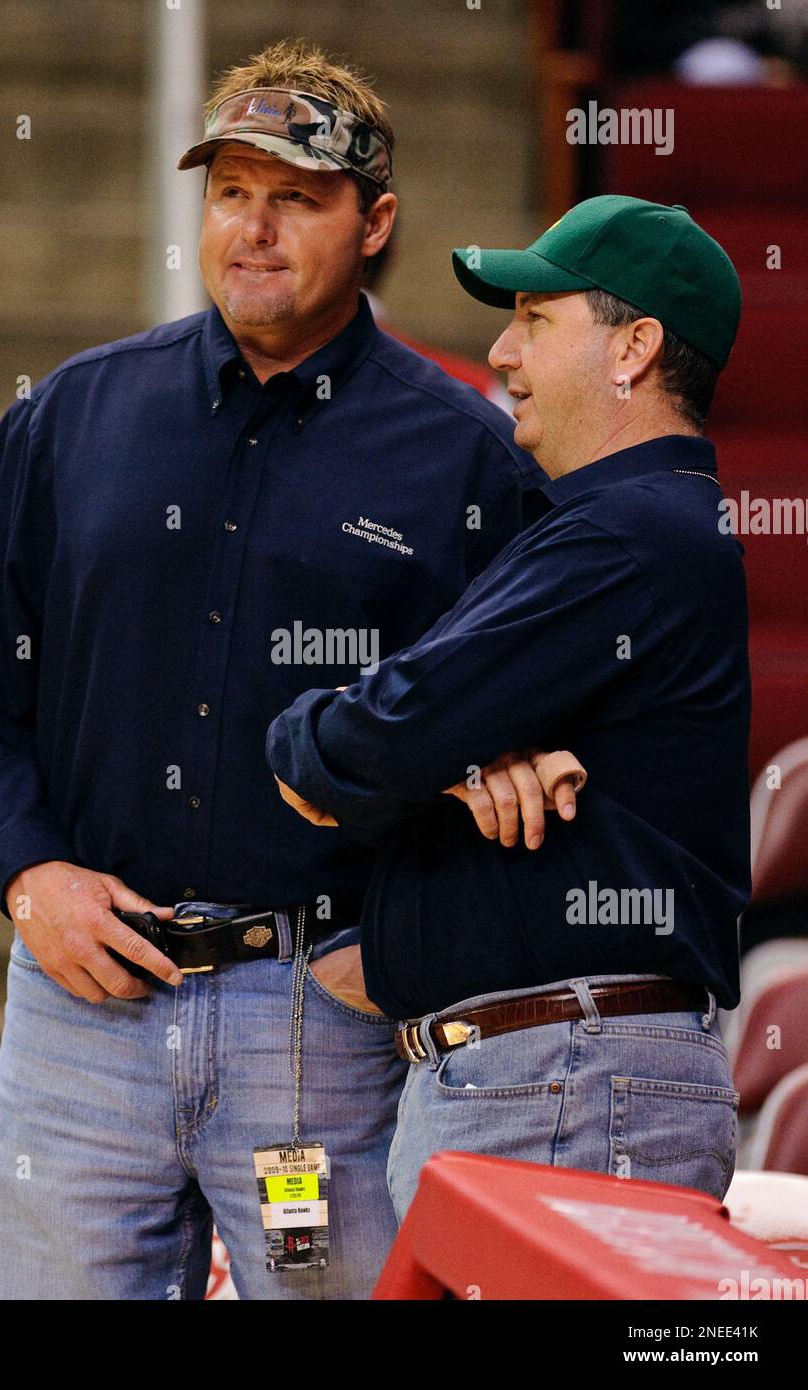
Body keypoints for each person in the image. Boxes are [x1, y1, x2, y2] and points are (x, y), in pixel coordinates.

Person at [0, 38, 578, 1300]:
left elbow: (529, 721)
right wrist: (27, 873)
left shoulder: (467, 464)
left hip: (320, 1019)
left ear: (374, 221)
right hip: (77, 1010)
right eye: (230, 191)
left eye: (296, 196)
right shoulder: (68, 420)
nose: (254, 228)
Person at [268, 194, 752, 1221]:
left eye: (534, 318)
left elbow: (372, 732)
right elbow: (414, 729)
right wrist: (460, 761)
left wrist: (342, 749)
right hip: (557, 1075)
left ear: (635, 347)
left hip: (563, 1079)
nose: (498, 350)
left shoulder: (621, 534)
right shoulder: (620, 525)